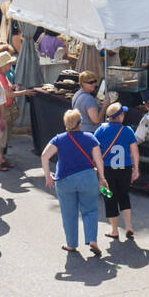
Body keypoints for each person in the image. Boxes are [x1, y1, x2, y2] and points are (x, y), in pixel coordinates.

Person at [41, 108, 106, 257]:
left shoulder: (58, 139)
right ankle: (92, 240)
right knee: (90, 210)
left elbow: (44, 156)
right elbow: (98, 160)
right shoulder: (90, 138)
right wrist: (102, 177)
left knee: (68, 213)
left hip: (64, 179)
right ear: (80, 123)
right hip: (87, 178)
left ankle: (71, 244)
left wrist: (47, 176)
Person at [93, 102, 139, 242]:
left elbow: (94, 149)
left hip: (107, 171)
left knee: (109, 197)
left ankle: (114, 230)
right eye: (123, 113)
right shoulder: (128, 130)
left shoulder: (100, 130)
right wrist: (136, 168)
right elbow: (134, 151)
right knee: (124, 195)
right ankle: (129, 226)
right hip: (124, 169)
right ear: (119, 117)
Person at [0, 49, 19, 171]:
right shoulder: (0, 77)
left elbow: (7, 90)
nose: (10, 65)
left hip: (3, 109)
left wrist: (14, 87)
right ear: (4, 65)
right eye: (9, 63)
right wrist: (23, 92)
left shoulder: (2, 76)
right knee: (1, 136)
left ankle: (0, 158)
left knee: (4, 136)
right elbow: (8, 95)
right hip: (1, 111)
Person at [72, 70, 109, 134]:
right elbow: (96, 120)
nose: (94, 84)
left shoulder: (77, 94)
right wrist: (105, 107)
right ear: (82, 83)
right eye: (90, 82)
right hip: (90, 132)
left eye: (95, 81)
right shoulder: (88, 99)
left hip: (80, 130)